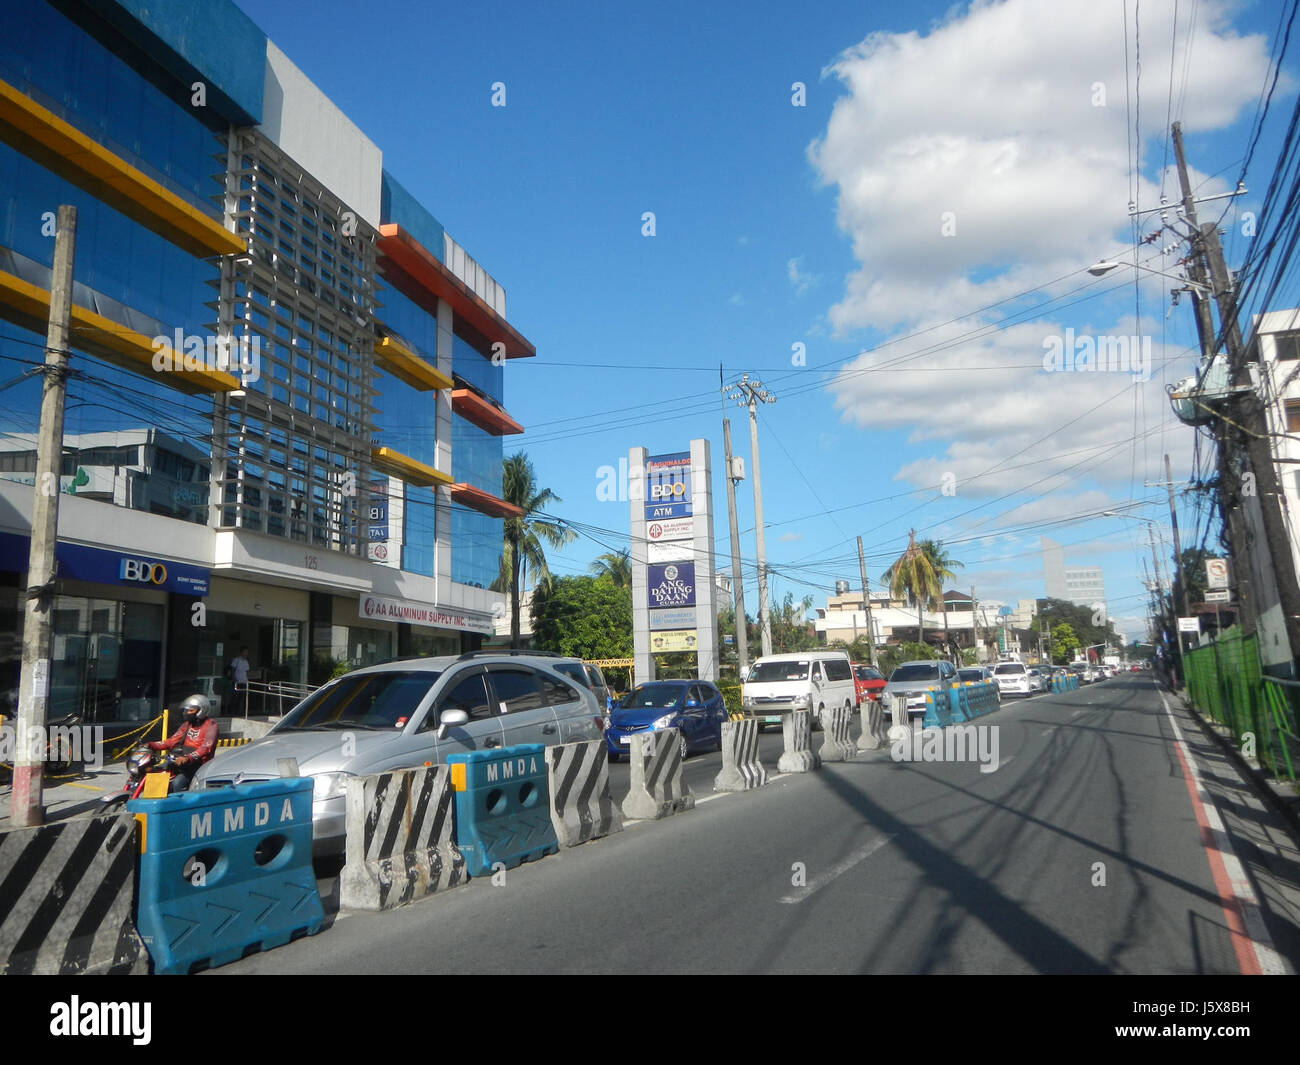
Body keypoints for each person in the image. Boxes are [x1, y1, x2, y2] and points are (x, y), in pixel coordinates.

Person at [148, 694, 218, 791]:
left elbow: (206, 748)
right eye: (186, 710)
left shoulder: (211, 725)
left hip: (198, 765)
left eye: (191, 710)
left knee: (177, 783)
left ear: (202, 710)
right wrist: (151, 745)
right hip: (181, 762)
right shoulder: (187, 725)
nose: (186, 713)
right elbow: (171, 741)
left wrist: (188, 758)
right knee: (155, 772)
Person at [227, 646, 250, 716]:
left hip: (244, 681)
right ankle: (232, 711)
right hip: (237, 681)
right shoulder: (236, 660)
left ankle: (239, 712)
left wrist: (247, 680)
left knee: (242, 698)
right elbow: (232, 670)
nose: (246, 654)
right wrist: (234, 678)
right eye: (245, 652)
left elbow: (247, 672)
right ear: (241, 652)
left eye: (247, 652)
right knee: (235, 697)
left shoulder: (246, 662)